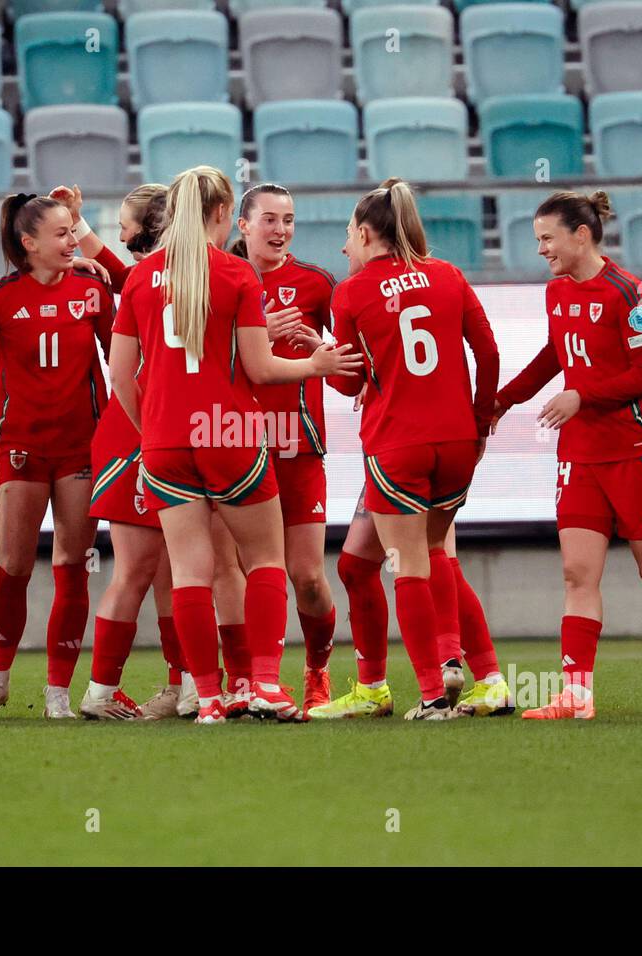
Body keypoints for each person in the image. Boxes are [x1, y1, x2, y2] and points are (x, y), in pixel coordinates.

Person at [107, 165, 361, 725]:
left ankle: (210, 698)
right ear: (226, 215)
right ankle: (264, 685)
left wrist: (151, 429)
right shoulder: (236, 275)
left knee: (193, 573)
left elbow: (120, 377)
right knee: (267, 560)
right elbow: (260, 368)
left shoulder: (142, 276)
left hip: (166, 443)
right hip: (232, 435)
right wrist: (314, 364)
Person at [492, 191, 642, 720]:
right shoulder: (556, 292)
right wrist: (503, 400)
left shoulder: (630, 294)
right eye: (537, 240)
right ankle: (575, 695)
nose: (542, 249)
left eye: (547, 238)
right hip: (581, 452)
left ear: (581, 234)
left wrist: (582, 396)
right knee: (577, 574)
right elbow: (555, 353)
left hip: (637, 447)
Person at [314, 178, 499, 721]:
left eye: (349, 234)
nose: (344, 246)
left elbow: (350, 383)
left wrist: (322, 358)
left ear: (369, 234)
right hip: (457, 442)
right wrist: (481, 419)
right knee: (416, 556)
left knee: (409, 565)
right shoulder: (447, 275)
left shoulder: (350, 293)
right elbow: (486, 351)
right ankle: (485, 678)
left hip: (397, 445)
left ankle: (432, 695)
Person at [0, 193, 115, 721]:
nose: (73, 241)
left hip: (81, 449)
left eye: (74, 231)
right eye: (63, 234)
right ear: (30, 244)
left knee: (72, 566)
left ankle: (57, 695)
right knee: (14, 566)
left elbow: (128, 355)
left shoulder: (94, 289)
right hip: (20, 449)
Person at [52, 182, 197, 720]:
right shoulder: (168, 276)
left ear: (150, 227)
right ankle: (102, 691)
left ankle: (183, 686)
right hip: (139, 438)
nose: (120, 234)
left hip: (155, 436)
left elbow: (110, 262)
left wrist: (78, 221)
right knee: (141, 569)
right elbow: (112, 264)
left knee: (169, 573)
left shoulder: (152, 276)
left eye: (126, 224)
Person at [228, 183, 340, 715]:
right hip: (232, 441)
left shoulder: (315, 283)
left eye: (289, 220)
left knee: (307, 575)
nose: (280, 230)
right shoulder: (221, 278)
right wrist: (255, 332)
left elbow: (346, 371)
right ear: (242, 225)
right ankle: (244, 681)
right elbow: (194, 357)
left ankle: (317, 671)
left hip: (297, 445)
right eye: (269, 220)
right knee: (238, 573)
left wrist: (317, 347)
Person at [334, 486, 512, 716]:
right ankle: (483, 679)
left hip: (397, 457)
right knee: (359, 565)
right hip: (429, 456)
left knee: (423, 554)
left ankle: (436, 688)